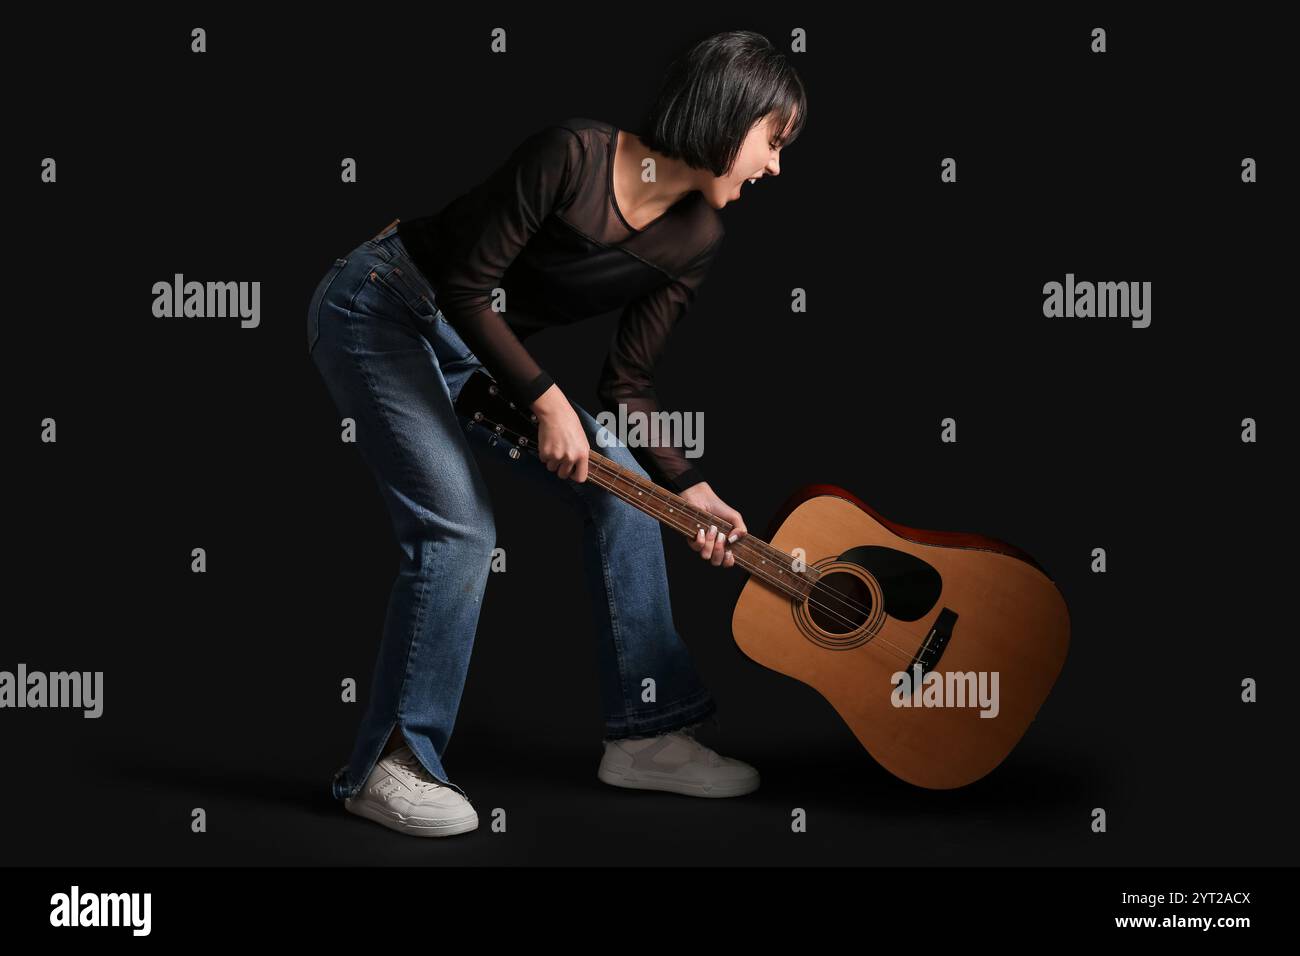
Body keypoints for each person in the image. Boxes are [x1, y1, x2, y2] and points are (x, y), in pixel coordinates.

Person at [306, 30, 806, 837]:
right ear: (728, 113)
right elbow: (468, 287)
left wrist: (691, 489)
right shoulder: (571, 155)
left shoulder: (696, 237)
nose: (775, 166)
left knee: (633, 499)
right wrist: (546, 402)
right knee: (460, 528)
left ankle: (646, 738)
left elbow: (628, 386)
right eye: (772, 141)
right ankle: (388, 766)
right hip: (384, 305)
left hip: (477, 354)